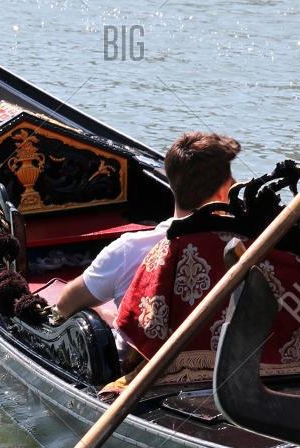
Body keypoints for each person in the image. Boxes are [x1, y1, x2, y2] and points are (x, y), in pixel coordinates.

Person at [55, 131, 240, 320]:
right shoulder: (245, 249)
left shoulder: (127, 250)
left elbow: (64, 305)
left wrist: (105, 317)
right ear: (222, 192)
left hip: (140, 349)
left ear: (171, 186)